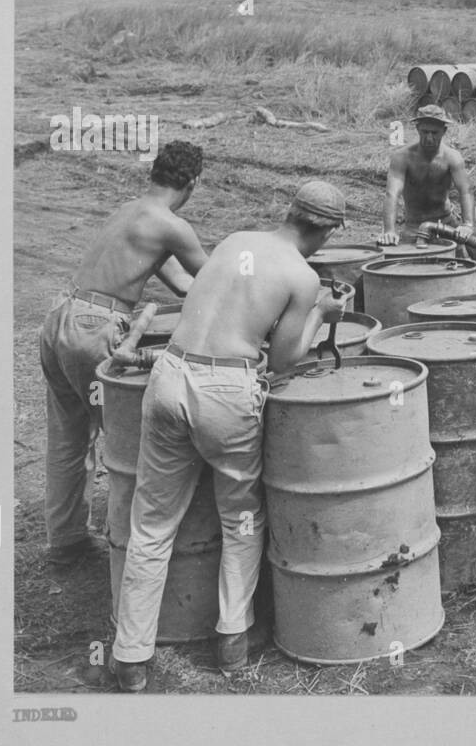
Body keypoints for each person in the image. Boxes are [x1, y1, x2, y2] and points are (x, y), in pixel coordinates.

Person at [109, 181, 351, 692]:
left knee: (151, 524)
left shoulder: (235, 240)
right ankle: (233, 641)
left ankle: (130, 658)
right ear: (326, 231)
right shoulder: (301, 276)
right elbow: (285, 359)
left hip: (169, 374)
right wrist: (321, 314)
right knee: (241, 518)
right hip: (224, 390)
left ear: (288, 211)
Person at [38, 141, 208, 567]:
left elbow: (182, 284)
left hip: (61, 318)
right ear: (192, 183)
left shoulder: (131, 210)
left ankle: (67, 542)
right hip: (94, 330)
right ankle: (129, 547)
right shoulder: (172, 226)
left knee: (69, 438)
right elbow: (210, 280)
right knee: (124, 440)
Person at [377, 104, 475, 246]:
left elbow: (466, 190)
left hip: (445, 224)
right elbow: (391, 194)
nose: (429, 138)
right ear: (418, 129)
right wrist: (389, 230)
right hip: (413, 226)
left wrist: (467, 224)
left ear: (444, 131)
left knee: (461, 261)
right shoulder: (402, 157)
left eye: (434, 133)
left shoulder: (452, 157)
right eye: (425, 132)